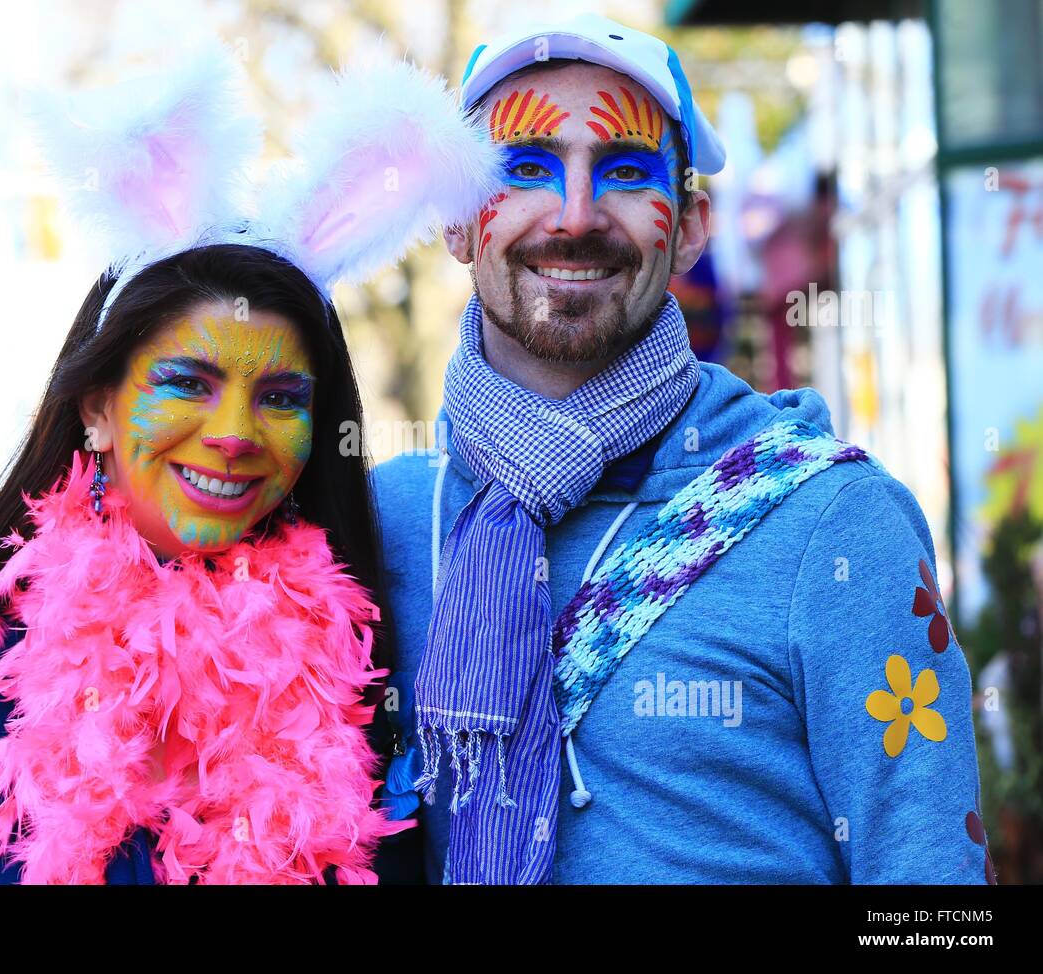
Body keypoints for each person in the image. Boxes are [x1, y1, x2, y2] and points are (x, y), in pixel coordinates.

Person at [0, 48, 501, 884]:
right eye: (187, 383)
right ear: (97, 405)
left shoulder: (364, 679)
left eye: (282, 397)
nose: (236, 433)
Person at [373, 13, 991, 884]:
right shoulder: (376, 528)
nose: (575, 216)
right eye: (524, 169)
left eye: (625, 172)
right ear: (456, 221)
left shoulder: (832, 522)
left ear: (694, 224)